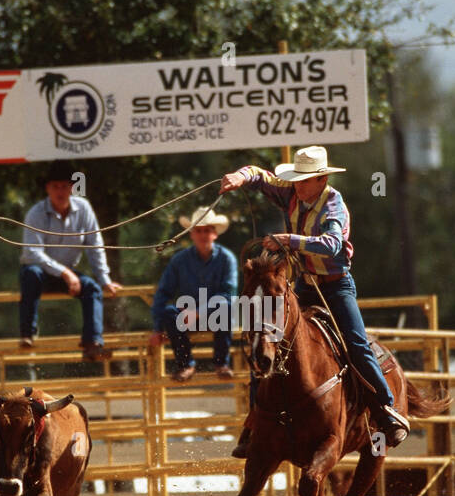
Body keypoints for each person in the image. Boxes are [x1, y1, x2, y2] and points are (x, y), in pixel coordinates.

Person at [220, 145, 411, 456]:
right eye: (297, 179)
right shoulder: (290, 193)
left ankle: (385, 409)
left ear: (322, 180)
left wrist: (288, 240)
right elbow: (259, 175)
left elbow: (332, 244)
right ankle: (256, 420)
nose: (299, 185)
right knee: (266, 338)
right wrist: (239, 177)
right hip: (303, 285)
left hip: (336, 286)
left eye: (306, 180)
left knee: (356, 342)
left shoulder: (335, 206)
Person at [19, 161, 121, 361]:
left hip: (68, 274)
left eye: (64, 186)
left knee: (92, 288)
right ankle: (27, 334)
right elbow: (33, 253)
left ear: (72, 187)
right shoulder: (36, 213)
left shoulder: (83, 209)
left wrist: (104, 279)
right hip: (41, 274)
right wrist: (65, 273)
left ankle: (92, 343)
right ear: (47, 188)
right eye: (55, 186)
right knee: (31, 274)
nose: (60, 191)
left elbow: (95, 244)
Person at [148, 207, 238, 382]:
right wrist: (157, 328)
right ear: (192, 234)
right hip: (187, 317)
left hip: (216, 316)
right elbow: (163, 292)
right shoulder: (179, 260)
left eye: (207, 230)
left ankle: (221, 364)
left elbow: (228, 295)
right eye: (198, 230)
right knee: (169, 313)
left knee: (226, 308)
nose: (203, 235)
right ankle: (185, 364)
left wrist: (198, 312)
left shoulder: (227, 259)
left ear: (215, 234)